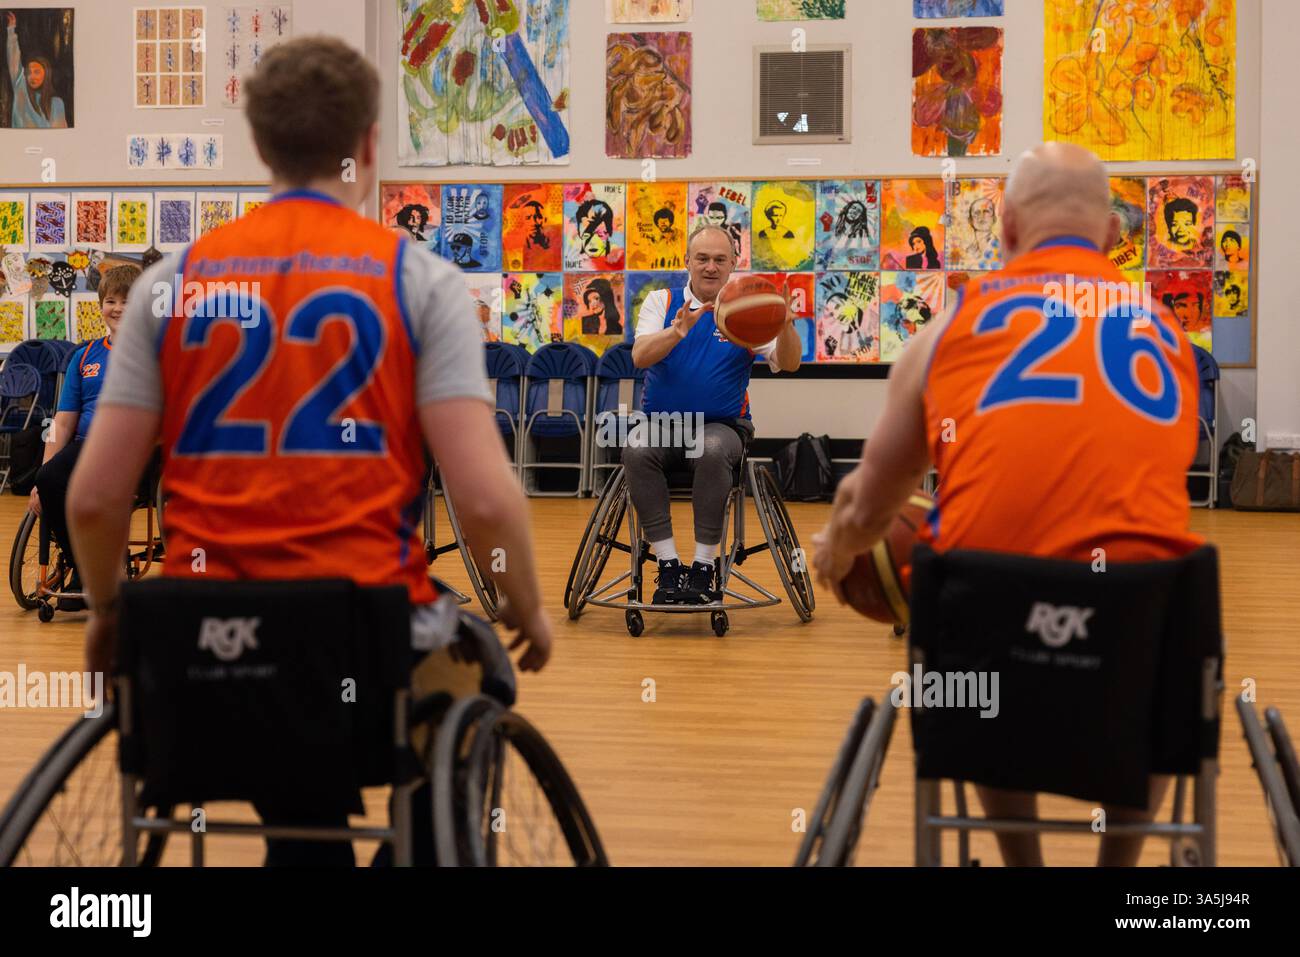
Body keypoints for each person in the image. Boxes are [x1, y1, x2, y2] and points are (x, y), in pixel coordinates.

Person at [67, 35, 552, 866]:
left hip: (203, 637)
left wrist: (113, 611)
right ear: (367, 145)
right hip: (365, 628)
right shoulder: (418, 281)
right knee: (483, 682)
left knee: (293, 765)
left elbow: (92, 499)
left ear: (259, 146)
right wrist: (527, 606)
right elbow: (484, 500)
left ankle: (305, 842)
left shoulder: (169, 283)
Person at [813, 142, 1202, 868]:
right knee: (1158, 656)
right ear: (1113, 238)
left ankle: (1024, 864)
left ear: (1009, 228)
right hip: (1135, 652)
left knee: (974, 631)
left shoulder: (949, 331)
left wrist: (835, 555)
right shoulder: (1169, 336)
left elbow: (870, 504)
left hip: (990, 657)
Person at [627, 225, 802, 604]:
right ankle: (669, 564)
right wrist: (677, 332)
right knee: (635, 447)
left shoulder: (747, 308)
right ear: (686, 261)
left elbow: (789, 363)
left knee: (709, 447)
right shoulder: (662, 301)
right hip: (662, 426)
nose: (710, 267)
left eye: (720, 259)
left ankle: (704, 567)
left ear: (733, 263)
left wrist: (785, 324)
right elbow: (640, 357)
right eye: (702, 258)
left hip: (723, 427)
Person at [29, 264, 139, 611]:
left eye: (127, 300)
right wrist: (38, 482)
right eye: (110, 300)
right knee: (49, 479)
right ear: (101, 306)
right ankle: (84, 567)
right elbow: (62, 423)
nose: (118, 308)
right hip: (88, 446)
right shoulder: (85, 356)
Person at [6, 12, 68, 129]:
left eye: (37, 72)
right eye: (29, 72)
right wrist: (11, 30)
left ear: (47, 74)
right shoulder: (21, 88)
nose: (32, 76)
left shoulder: (56, 104)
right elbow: (13, 59)